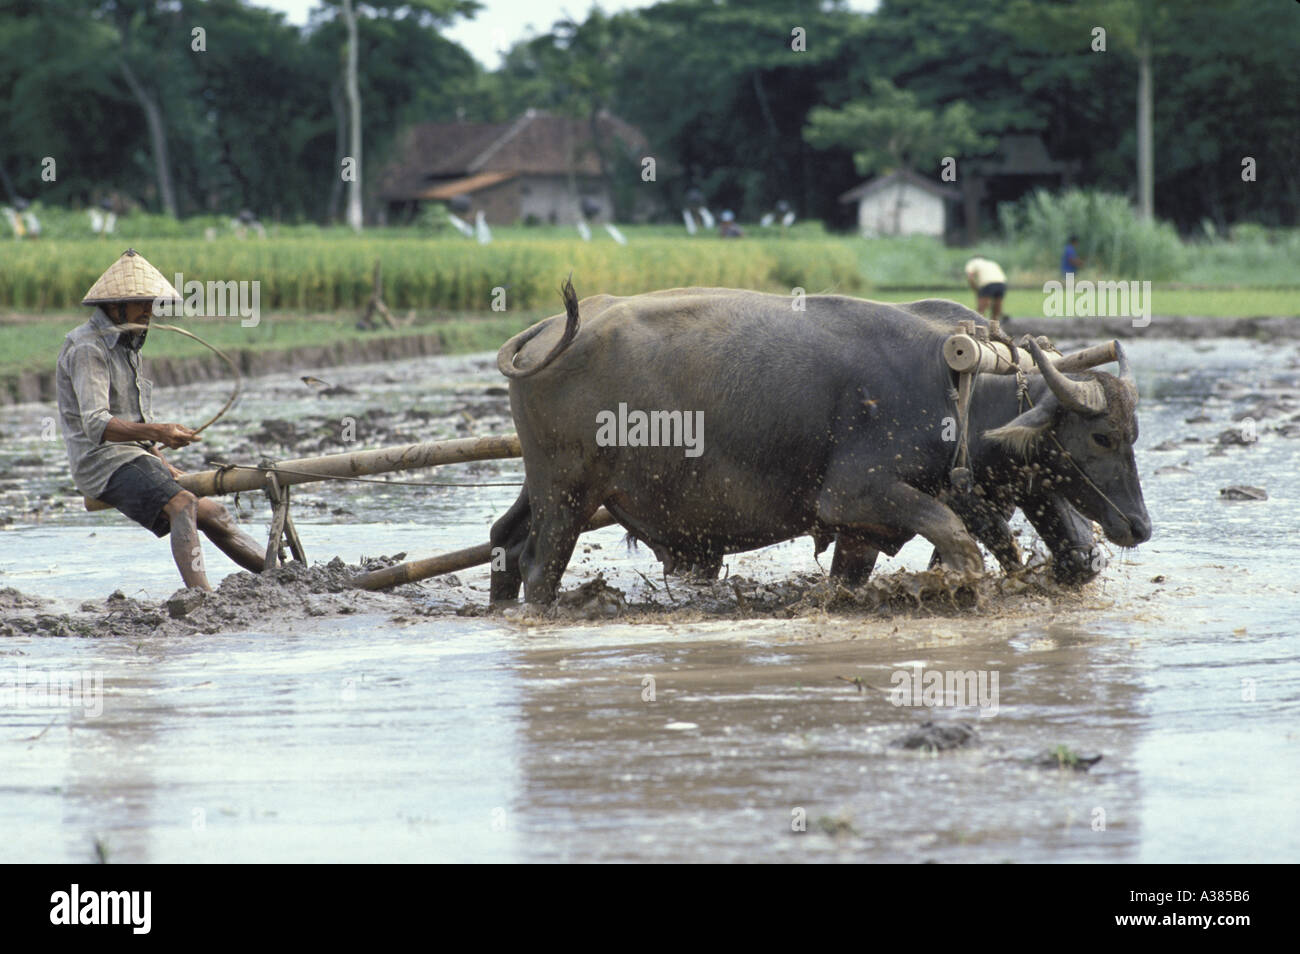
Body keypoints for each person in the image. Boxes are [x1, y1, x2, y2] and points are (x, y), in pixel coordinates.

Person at [56, 248, 265, 591]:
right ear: (115, 305)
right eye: (142, 302)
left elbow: (134, 422)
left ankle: (285, 574)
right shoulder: (87, 348)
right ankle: (202, 597)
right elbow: (97, 423)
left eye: (152, 302)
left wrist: (162, 461)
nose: (150, 311)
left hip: (135, 458)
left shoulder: (128, 344)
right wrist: (160, 431)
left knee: (215, 514)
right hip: (101, 463)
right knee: (182, 505)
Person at [964, 256, 1007, 321]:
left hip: (987, 283)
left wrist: (975, 289)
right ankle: (995, 327)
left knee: (981, 310)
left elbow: (970, 277)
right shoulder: (992, 263)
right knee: (996, 309)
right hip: (1001, 283)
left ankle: (980, 326)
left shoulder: (972, 262)